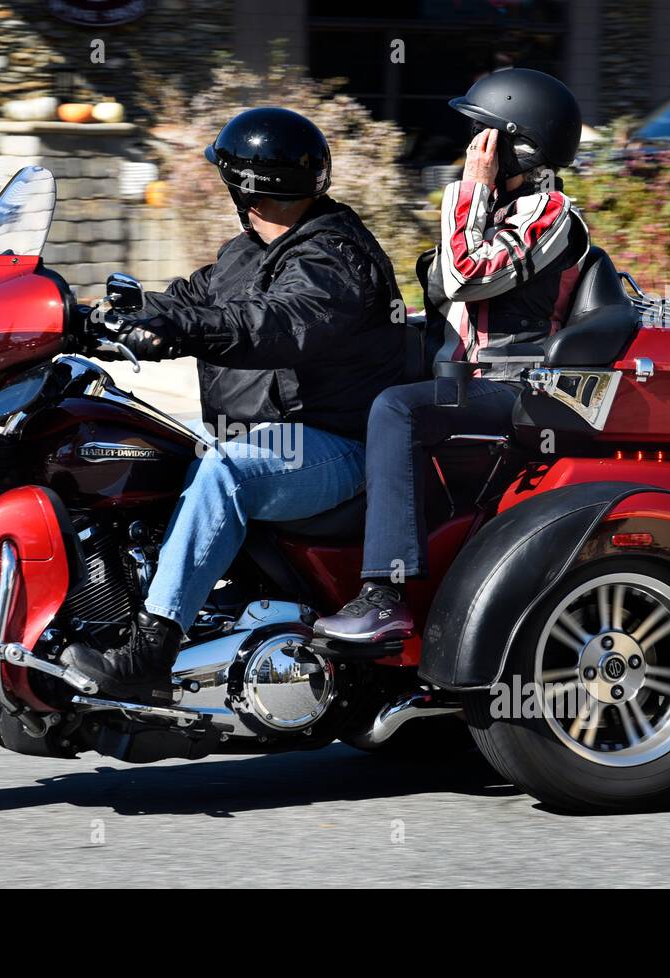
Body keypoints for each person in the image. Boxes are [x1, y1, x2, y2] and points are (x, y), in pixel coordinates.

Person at [63, 106, 406, 701]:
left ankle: (152, 647)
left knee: (223, 473)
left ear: (244, 186)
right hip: (264, 436)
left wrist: (184, 331)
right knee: (133, 447)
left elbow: (277, 323)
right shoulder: (244, 252)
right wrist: (85, 318)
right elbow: (181, 300)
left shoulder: (335, 255)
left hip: (335, 446)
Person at [313, 68, 590, 643]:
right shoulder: (490, 211)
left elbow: (468, 275)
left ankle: (386, 595)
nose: (471, 148)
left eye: (484, 137)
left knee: (398, 410)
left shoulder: (552, 214)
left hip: (518, 384)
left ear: (519, 146)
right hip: (462, 375)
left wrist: (470, 186)